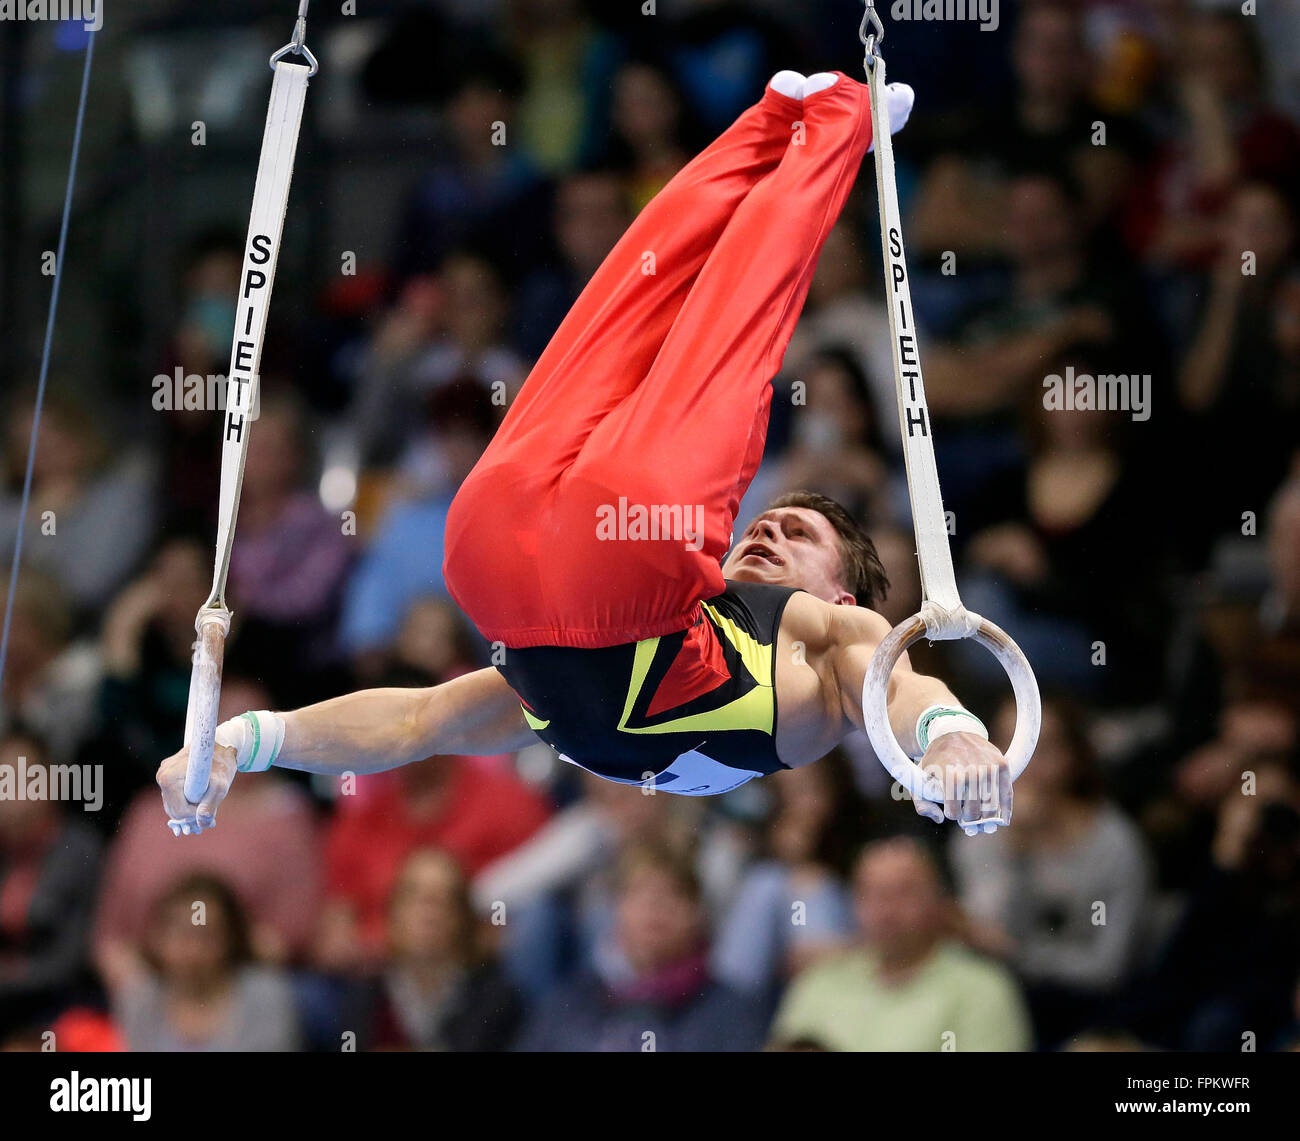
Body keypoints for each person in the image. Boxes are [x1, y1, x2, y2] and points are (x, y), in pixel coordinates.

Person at [158, 71, 1012, 838]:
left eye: (798, 536)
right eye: (779, 518)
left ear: (845, 591)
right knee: (621, 305)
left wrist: (243, 738)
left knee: (723, 335)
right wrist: (955, 737)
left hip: (514, 566)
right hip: (596, 556)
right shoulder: (743, 630)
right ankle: (772, 122)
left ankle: (836, 114)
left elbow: (418, 721)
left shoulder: (828, 641)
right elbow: (920, 702)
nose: (770, 528)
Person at [769, 836, 1032, 1052]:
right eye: (872, 894)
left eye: (903, 892)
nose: (886, 911)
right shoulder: (818, 981)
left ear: (939, 900)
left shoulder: (983, 990)